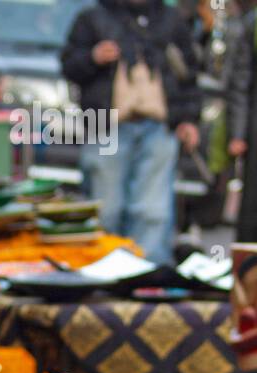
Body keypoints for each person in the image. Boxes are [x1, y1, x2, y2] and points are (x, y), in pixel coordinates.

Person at [62, 0, 201, 264]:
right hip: (108, 127)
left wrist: (189, 119)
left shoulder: (170, 20)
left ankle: (147, 276)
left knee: (152, 211)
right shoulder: (93, 18)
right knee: (106, 208)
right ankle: (102, 270)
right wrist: (93, 57)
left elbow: (188, 75)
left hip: (158, 127)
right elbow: (69, 65)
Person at [225, 3, 257, 240]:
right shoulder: (252, 24)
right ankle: (247, 272)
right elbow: (241, 83)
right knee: (252, 207)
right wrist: (238, 133)